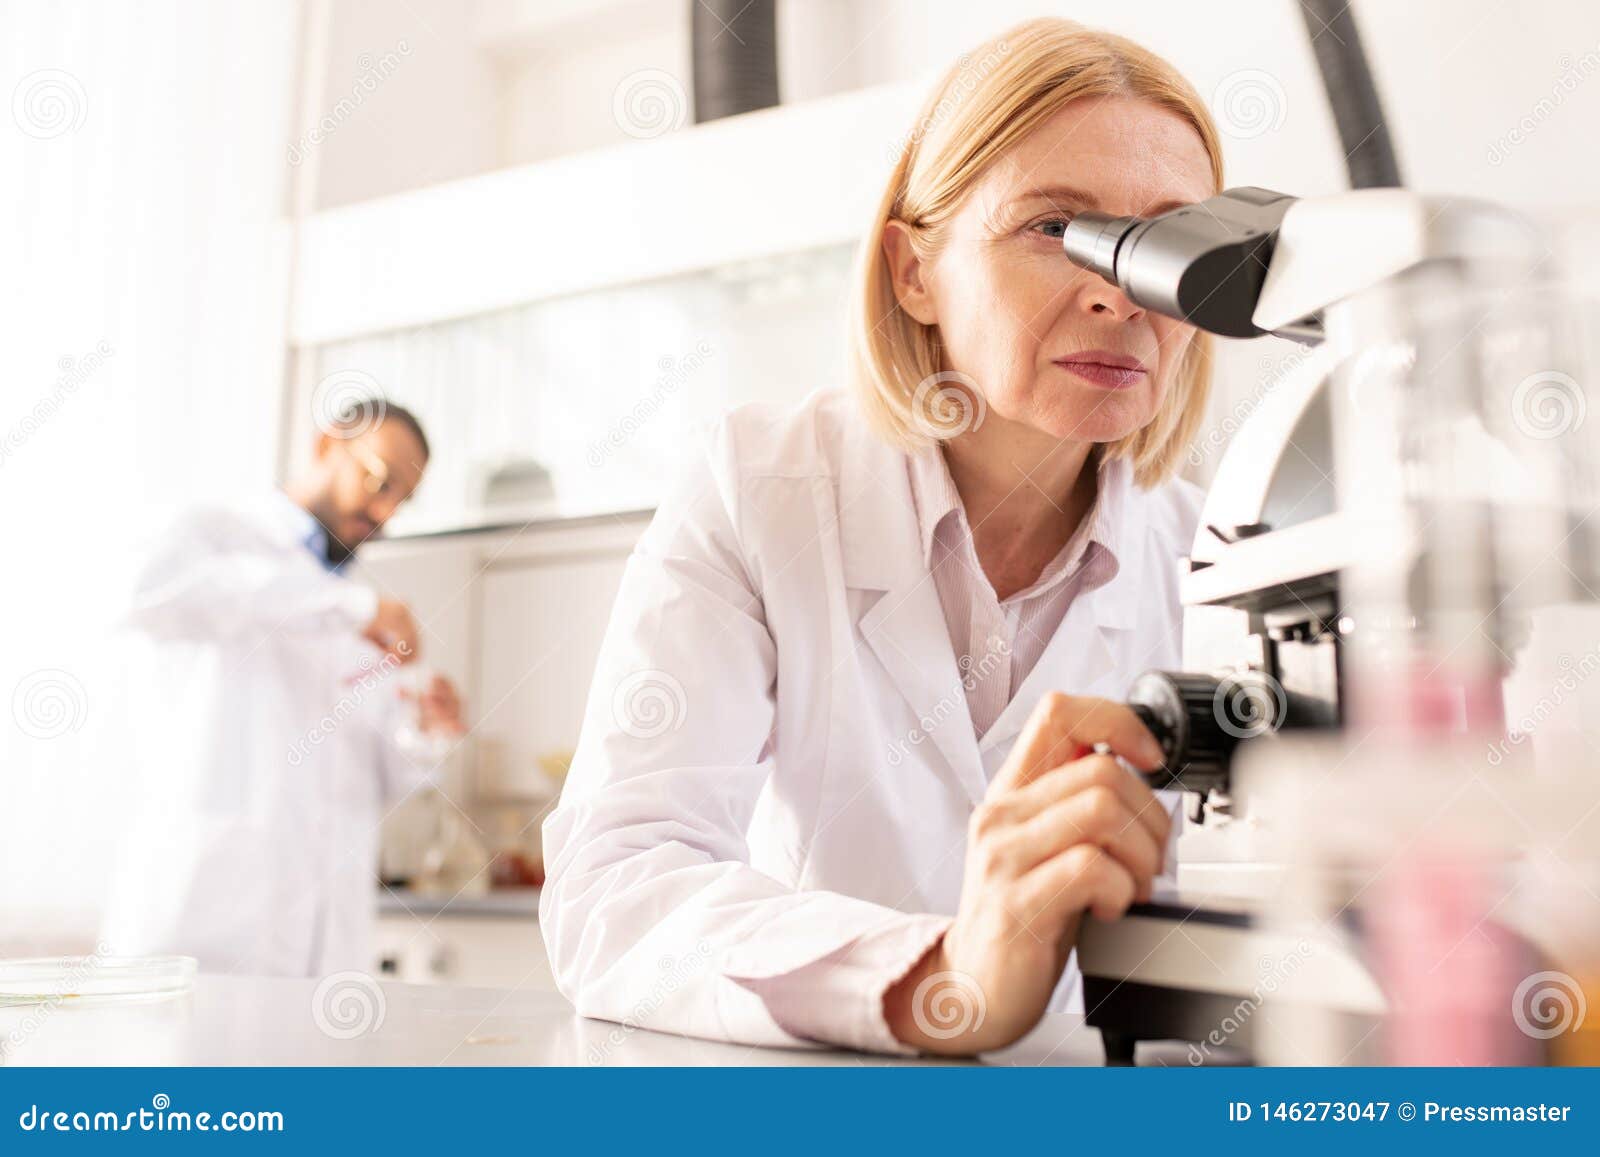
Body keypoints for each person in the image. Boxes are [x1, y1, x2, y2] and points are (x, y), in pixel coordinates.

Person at [540, 18, 1222, 1055]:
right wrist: (947, 973)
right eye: (1054, 227)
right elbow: (616, 887)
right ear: (913, 271)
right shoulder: (759, 489)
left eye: (1168, 241)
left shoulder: (1222, 558)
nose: (1115, 289)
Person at [100, 399, 465, 977]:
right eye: (379, 481)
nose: (385, 511)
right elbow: (142, 592)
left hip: (323, 954)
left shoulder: (353, 609)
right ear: (327, 444)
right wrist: (351, 608)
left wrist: (427, 735)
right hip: (205, 936)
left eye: (401, 500)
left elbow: (378, 779)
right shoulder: (215, 535)